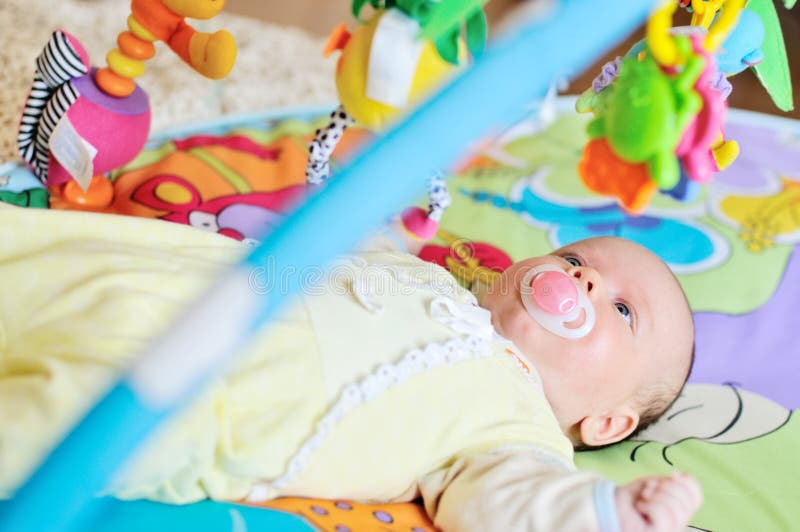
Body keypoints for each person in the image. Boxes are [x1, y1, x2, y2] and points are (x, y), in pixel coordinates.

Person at [0, 205, 700, 531]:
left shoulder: (518, 428)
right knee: (39, 256)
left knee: (56, 428)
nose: (580, 279)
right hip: (187, 279)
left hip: (212, 397)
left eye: (622, 310)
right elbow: (350, 233)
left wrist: (610, 514)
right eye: (575, 259)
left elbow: (515, 508)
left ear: (607, 423)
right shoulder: (435, 279)